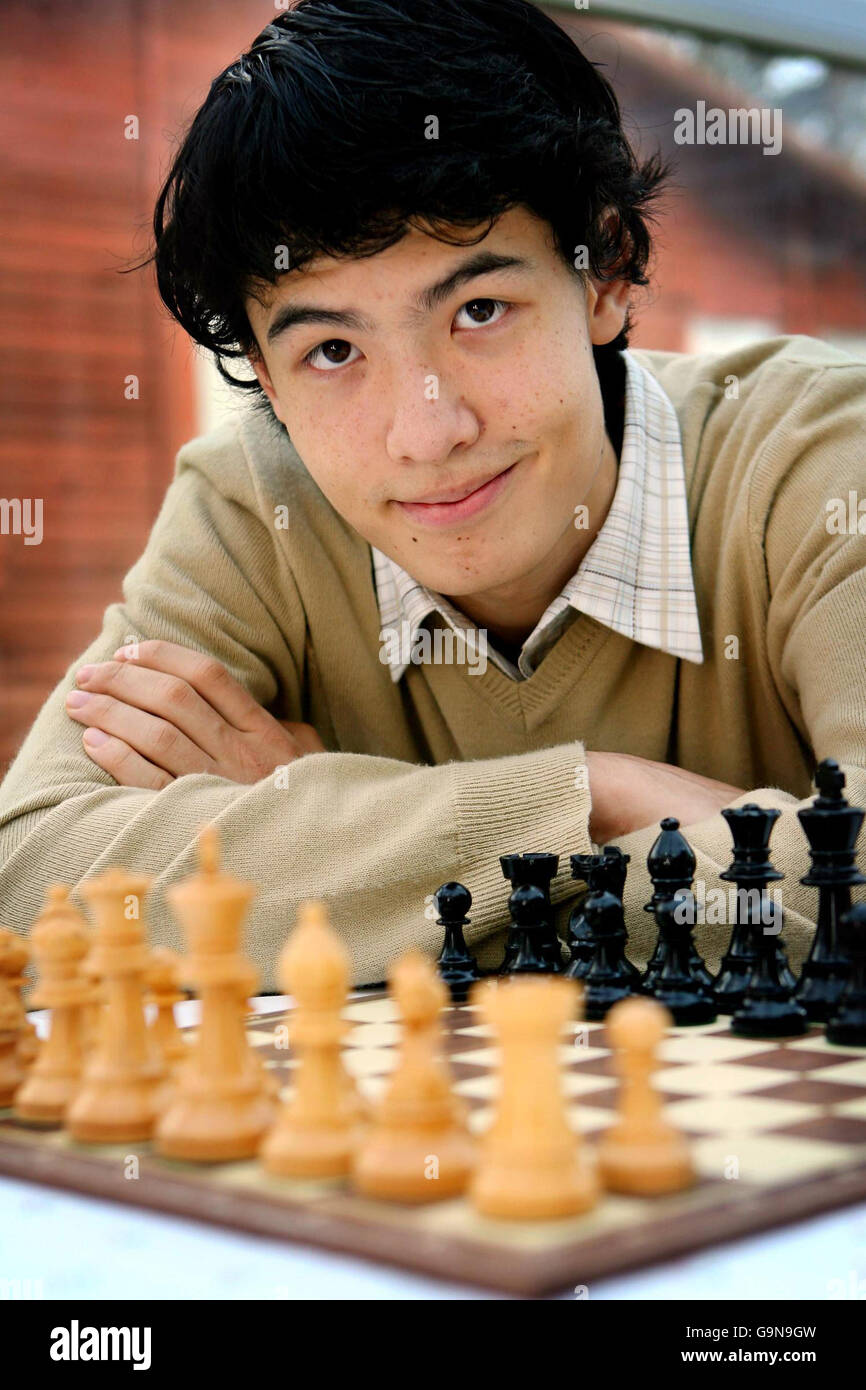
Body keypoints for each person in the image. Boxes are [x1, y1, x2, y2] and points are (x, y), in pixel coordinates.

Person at [1, 0, 864, 986]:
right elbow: (32, 879)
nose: (424, 433)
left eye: (477, 310)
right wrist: (598, 797)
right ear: (266, 377)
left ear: (606, 271)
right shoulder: (254, 505)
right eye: (331, 351)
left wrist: (317, 821)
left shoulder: (822, 457)